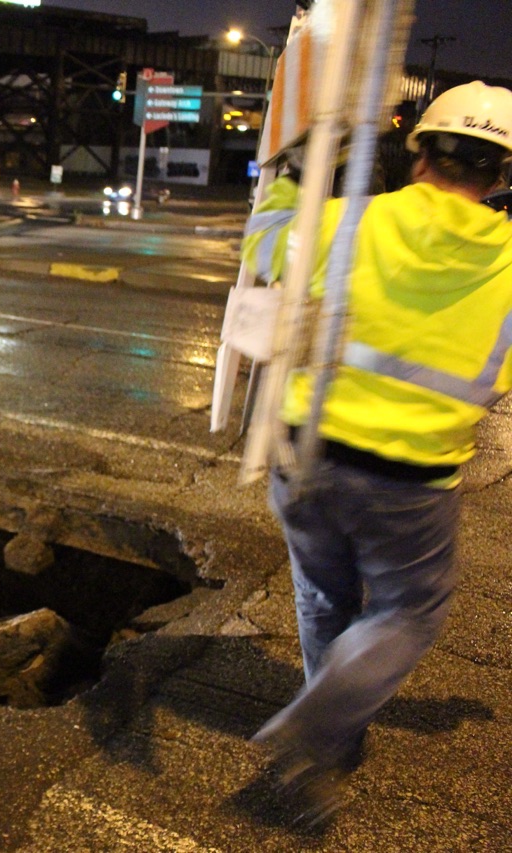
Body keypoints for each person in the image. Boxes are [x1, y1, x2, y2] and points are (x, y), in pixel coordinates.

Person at [240, 80, 512, 826]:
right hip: (411, 480)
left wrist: (292, 172)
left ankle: (331, 730)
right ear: (500, 178)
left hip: (307, 451)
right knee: (407, 610)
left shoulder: (349, 221)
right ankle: (318, 726)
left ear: (419, 151)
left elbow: (265, 247)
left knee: (326, 595)